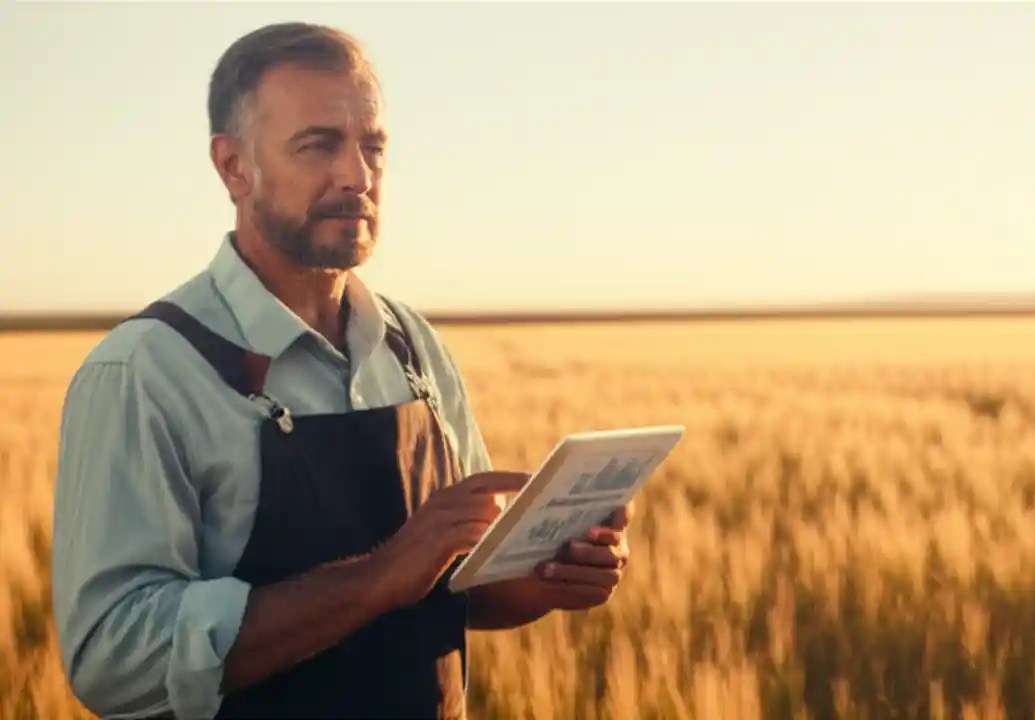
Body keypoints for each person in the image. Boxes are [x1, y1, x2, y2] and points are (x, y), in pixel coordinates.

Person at [51, 22, 633, 720]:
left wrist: (548, 575)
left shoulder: (412, 345)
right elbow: (110, 660)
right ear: (233, 166)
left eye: (373, 147)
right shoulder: (144, 371)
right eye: (319, 145)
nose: (358, 176)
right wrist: (379, 576)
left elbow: (461, 587)